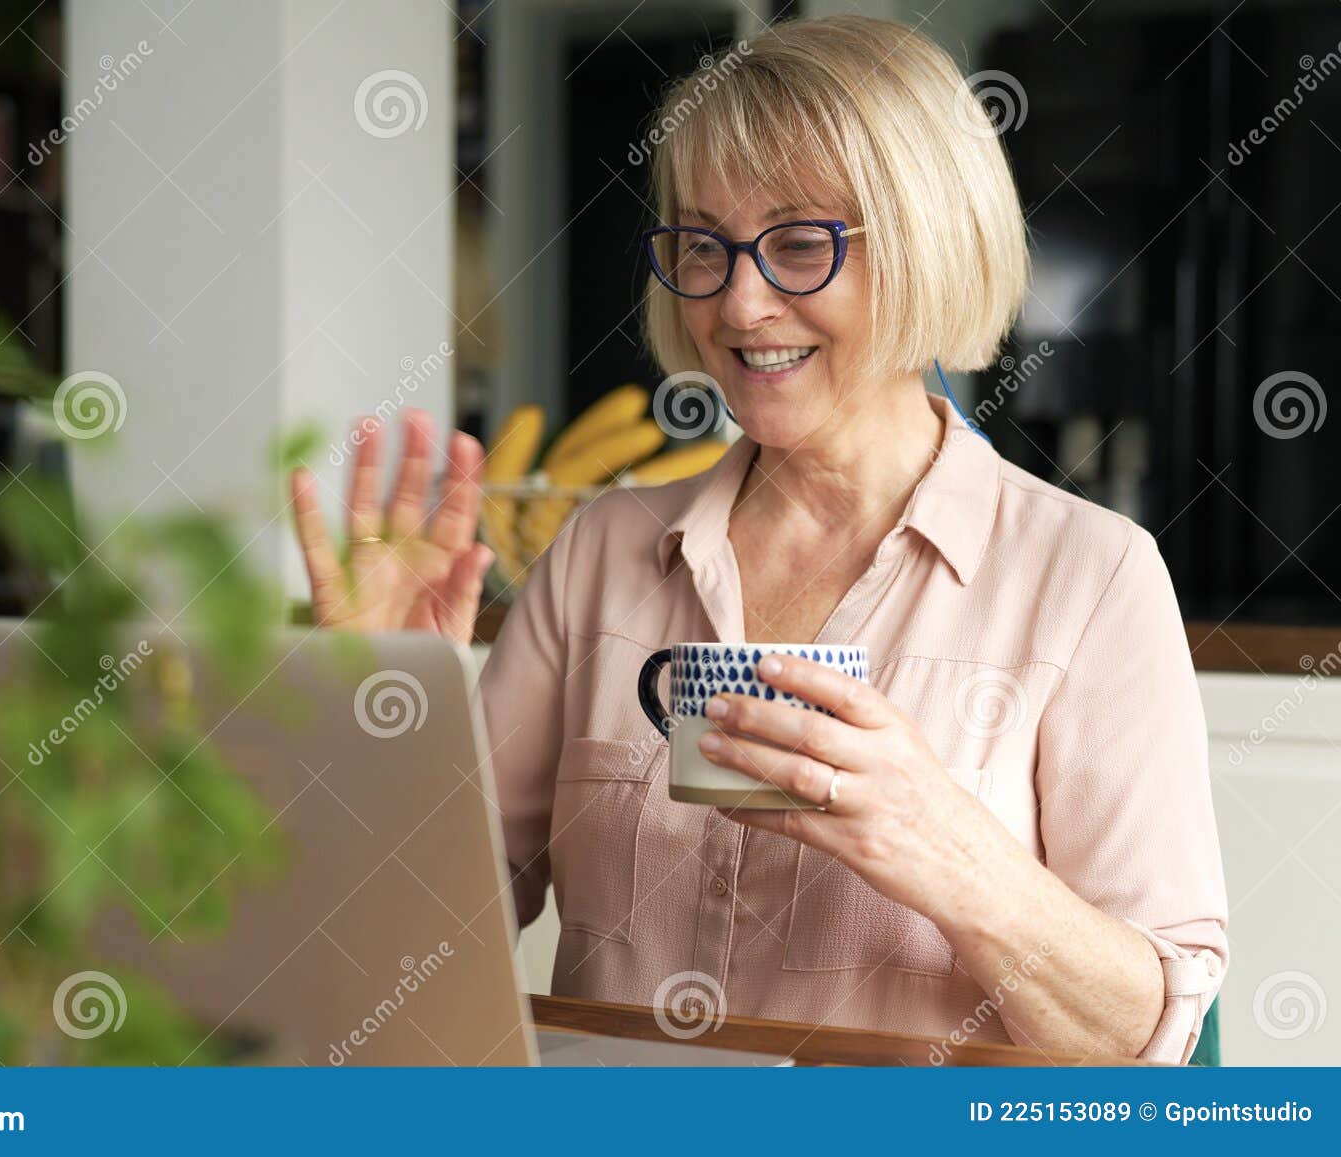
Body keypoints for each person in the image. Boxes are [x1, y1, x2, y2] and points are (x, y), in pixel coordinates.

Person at [289, 14, 1227, 1063]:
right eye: (703, 244)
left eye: (797, 242)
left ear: (924, 241)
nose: (737, 302)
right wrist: (370, 711)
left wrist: (941, 841)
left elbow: (1149, 1039)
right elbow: (414, 945)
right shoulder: (603, 550)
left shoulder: (1087, 575)